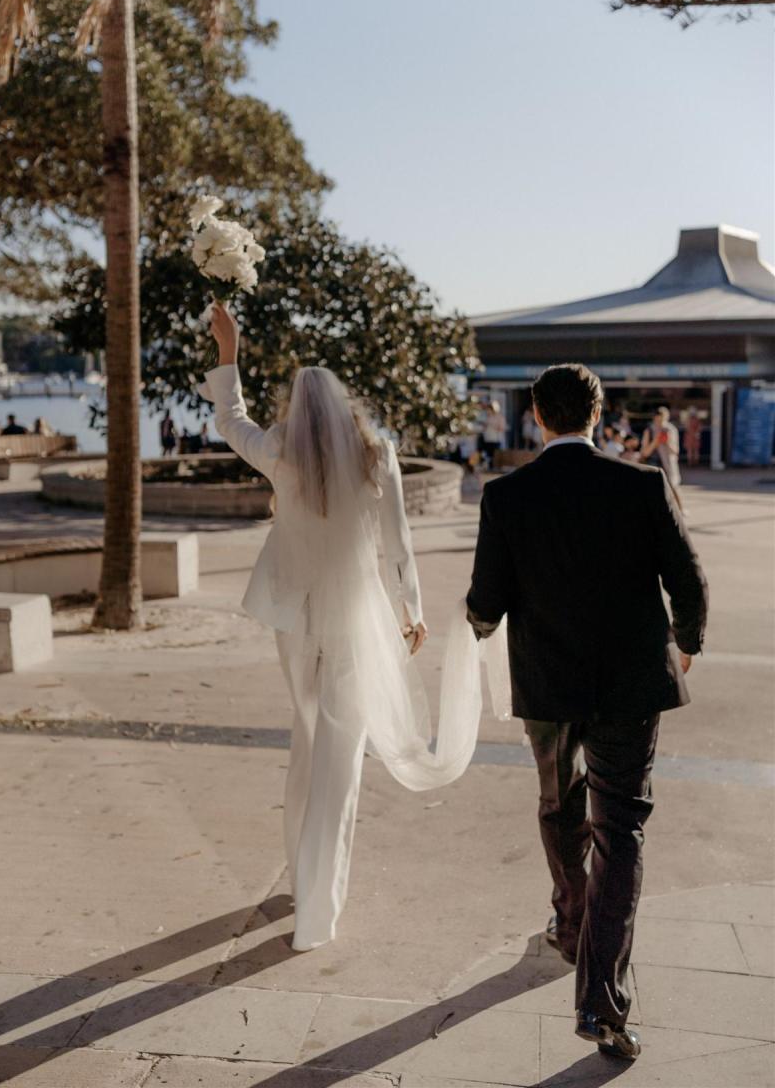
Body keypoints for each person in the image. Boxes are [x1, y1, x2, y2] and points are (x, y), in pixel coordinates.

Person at [199, 302, 507, 952]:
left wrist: (230, 352)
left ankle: (302, 879)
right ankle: (319, 908)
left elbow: (229, 420)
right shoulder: (379, 457)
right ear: (345, 409)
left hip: (295, 620)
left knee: (308, 744)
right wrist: (413, 612)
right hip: (360, 622)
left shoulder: (279, 450)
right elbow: (399, 544)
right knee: (341, 760)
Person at [466, 362, 708, 1063]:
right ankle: (602, 999)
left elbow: (487, 597)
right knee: (622, 827)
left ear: (538, 417)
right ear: (597, 416)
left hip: (546, 685)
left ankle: (571, 923)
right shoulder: (640, 484)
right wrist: (687, 643)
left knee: (558, 804)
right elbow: (688, 579)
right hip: (631, 684)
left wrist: (477, 629)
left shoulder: (506, 494)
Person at [641, 407, 684, 511]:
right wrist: (655, 442)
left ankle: (680, 511)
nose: (660, 423)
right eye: (657, 420)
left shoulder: (671, 430)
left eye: (662, 420)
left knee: (673, 487)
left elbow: (676, 451)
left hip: (668, 464)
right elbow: (644, 453)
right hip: (652, 464)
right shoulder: (649, 430)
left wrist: (667, 442)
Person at [482, 399, 506, 469]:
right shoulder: (487, 417)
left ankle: (495, 468)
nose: (488, 411)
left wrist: (492, 425)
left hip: (496, 440)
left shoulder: (500, 417)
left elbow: (502, 428)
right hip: (488, 439)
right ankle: (489, 467)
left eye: (489, 409)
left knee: (495, 455)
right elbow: (484, 428)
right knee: (488, 455)